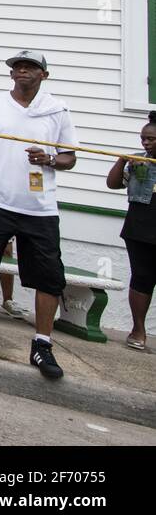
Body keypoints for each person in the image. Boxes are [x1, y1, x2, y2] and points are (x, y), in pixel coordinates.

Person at [0, 51, 76, 379]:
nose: (22, 70)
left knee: (49, 276)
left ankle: (42, 344)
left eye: (30, 66)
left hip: (39, 207)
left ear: (44, 75)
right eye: (16, 67)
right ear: (11, 75)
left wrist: (49, 159)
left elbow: (69, 158)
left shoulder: (58, 110)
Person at [107, 113, 156, 351]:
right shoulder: (138, 162)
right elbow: (113, 183)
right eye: (143, 139)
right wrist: (121, 162)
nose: (145, 143)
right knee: (142, 277)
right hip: (139, 228)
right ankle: (138, 330)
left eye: (151, 139)